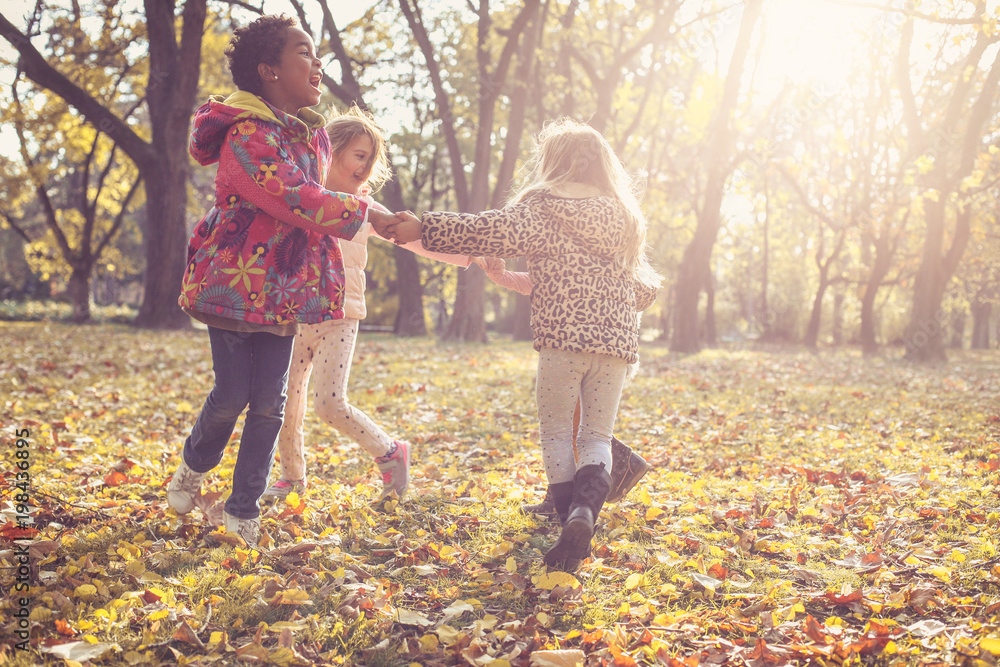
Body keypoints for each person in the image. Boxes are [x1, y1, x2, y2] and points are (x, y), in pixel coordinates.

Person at [166, 15, 401, 548]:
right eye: (304, 52)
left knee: (269, 403)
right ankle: (194, 465)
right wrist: (363, 212)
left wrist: (377, 216)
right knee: (231, 395)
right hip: (236, 284)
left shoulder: (312, 137)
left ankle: (243, 508)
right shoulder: (248, 134)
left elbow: (318, 196)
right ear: (268, 70)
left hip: (285, 289)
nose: (317, 62)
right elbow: (292, 196)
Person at [388, 118, 661, 571]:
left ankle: (568, 519)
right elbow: (642, 288)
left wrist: (424, 227)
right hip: (614, 343)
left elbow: (485, 230)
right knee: (594, 436)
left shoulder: (543, 208)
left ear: (551, 162)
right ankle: (585, 511)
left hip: (562, 340)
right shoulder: (624, 215)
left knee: (556, 432)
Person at [262, 106, 470, 504]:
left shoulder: (365, 208)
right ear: (332, 148)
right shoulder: (301, 195)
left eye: (371, 159)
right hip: (294, 315)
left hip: (341, 316)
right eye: (359, 155)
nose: (365, 167)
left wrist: (470, 255)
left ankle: (390, 451)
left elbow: (414, 239)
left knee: (329, 403)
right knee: (284, 402)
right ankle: (292, 477)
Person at [473, 257, 653, 514]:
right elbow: (548, 280)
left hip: (588, 343)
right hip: (596, 343)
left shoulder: (610, 247)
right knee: (577, 427)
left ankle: (580, 498)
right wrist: (505, 277)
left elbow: (642, 289)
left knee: (573, 430)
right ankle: (580, 494)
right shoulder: (599, 244)